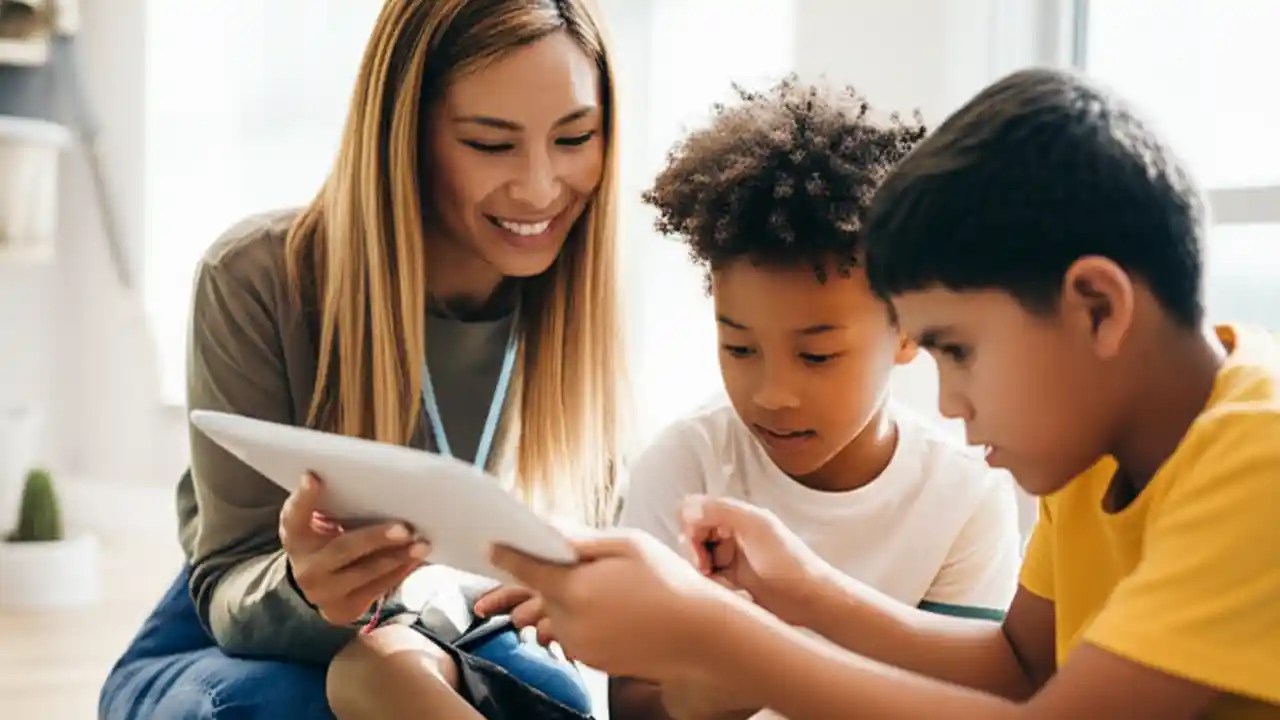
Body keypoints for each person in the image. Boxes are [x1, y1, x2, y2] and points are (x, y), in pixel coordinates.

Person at [493, 67, 1280, 719]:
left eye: (959, 351)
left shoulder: (1260, 457)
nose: (947, 403)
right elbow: (1019, 665)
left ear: (1098, 309)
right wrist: (805, 589)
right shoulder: (1095, 451)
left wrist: (707, 632)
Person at [99, 1, 626, 718]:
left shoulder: (574, 312)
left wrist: (570, 596)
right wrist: (306, 588)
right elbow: (228, 584)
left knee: (555, 699)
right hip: (245, 645)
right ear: (404, 135)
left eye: (574, 137)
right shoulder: (258, 279)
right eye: (489, 144)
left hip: (458, 634)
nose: (539, 187)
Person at [608, 78, 1021, 720]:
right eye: (739, 349)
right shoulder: (687, 465)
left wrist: (768, 657)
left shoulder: (965, 500)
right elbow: (631, 705)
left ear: (907, 327)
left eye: (818, 355)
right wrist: (717, 687)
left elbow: (971, 700)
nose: (773, 395)